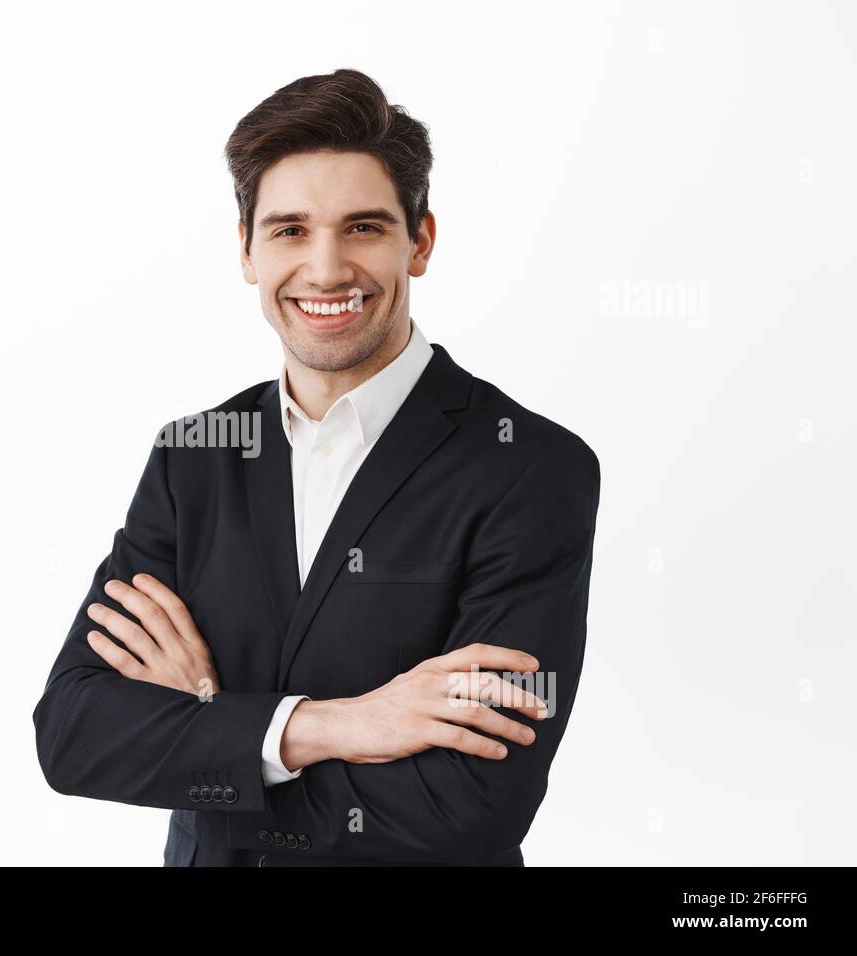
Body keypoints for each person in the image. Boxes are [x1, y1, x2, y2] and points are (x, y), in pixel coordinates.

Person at [33, 68, 601, 866]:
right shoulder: (192, 458)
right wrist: (337, 725)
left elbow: (473, 805)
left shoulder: (532, 467)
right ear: (247, 251)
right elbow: (73, 735)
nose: (327, 270)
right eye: (290, 230)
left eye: (363, 227)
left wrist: (214, 724)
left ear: (421, 241)